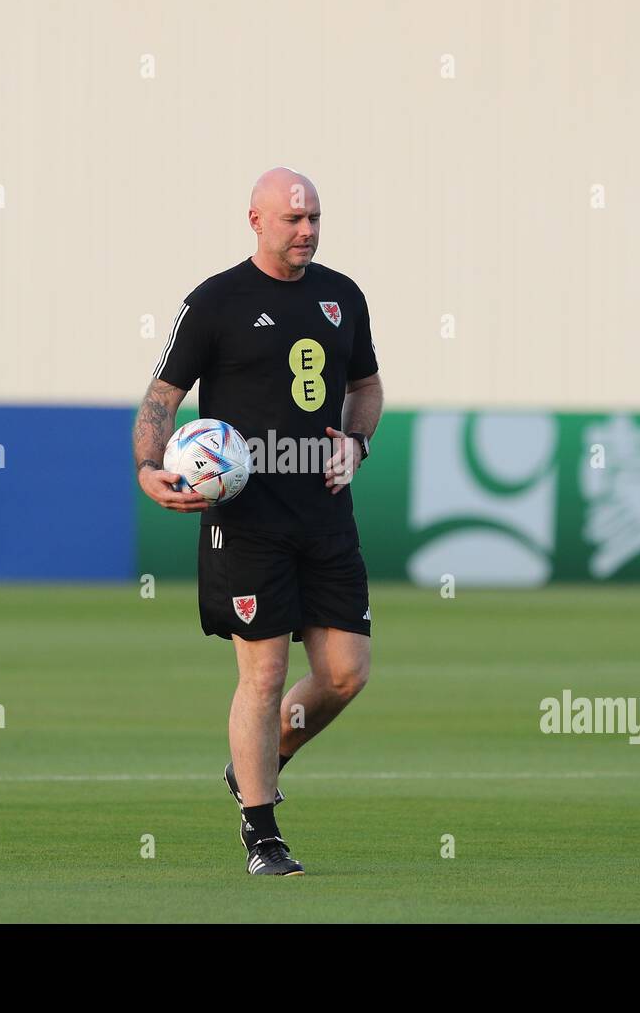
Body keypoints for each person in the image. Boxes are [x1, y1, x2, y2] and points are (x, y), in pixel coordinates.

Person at [132, 166, 384, 875]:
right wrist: (151, 469)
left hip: (327, 517)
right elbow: (163, 395)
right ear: (256, 220)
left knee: (345, 674)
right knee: (263, 673)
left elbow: (366, 386)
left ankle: (259, 759)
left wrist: (357, 443)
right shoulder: (216, 301)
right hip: (246, 520)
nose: (305, 230)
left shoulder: (342, 296)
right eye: (292, 219)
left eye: (314, 219)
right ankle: (262, 831)